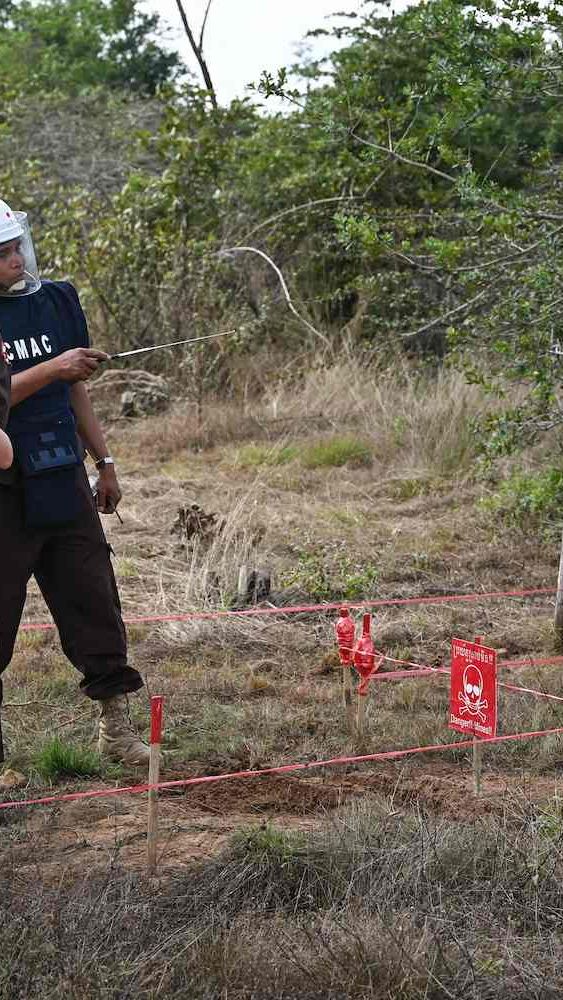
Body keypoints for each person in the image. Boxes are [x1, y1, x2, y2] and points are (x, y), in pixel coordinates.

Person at [0, 199, 150, 767]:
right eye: (2, 253)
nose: (16, 259)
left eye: (18, 247)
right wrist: (52, 368)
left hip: (62, 473)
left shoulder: (58, 299)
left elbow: (76, 389)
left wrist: (104, 460)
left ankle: (116, 728)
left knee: (93, 599)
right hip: (5, 488)